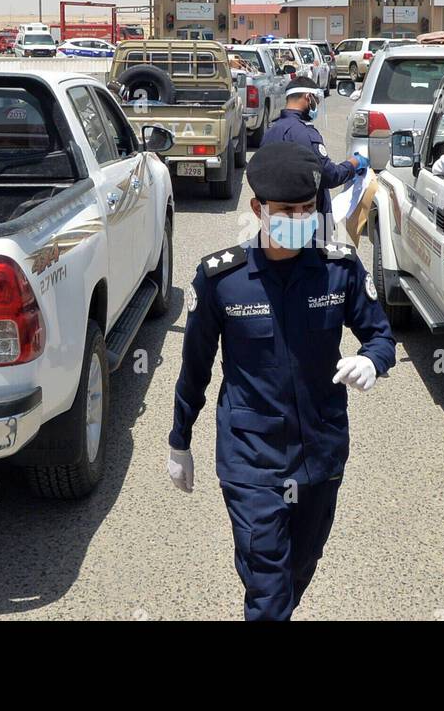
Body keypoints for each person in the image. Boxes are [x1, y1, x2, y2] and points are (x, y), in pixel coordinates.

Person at [168, 141, 396, 621]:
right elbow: (195, 368)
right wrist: (179, 442)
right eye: (288, 210)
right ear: (258, 209)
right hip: (253, 459)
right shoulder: (221, 280)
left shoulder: (339, 268)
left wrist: (373, 361)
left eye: (308, 209)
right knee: (270, 591)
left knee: (299, 567)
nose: (301, 218)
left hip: (322, 450)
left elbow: (379, 334)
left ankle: (266, 585)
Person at [263, 76, 366, 233]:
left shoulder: (270, 132)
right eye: (316, 101)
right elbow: (328, 176)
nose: (316, 105)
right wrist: (354, 163)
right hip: (308, 223)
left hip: (275, 220)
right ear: (308, 97)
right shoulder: (306, 134)